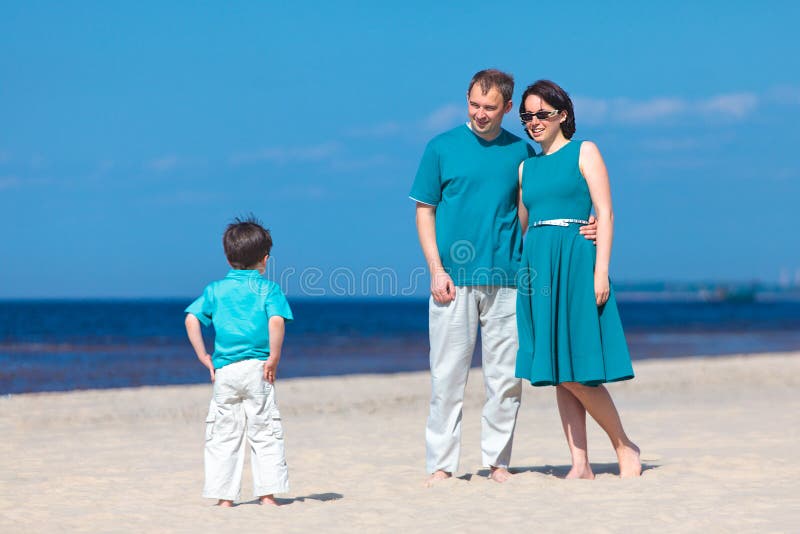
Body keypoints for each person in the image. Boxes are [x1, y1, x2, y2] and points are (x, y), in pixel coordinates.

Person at [409, 69, 597, 485]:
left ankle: (498, 463)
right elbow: (424, 210)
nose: (480, 113)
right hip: (452, 281)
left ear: (507, 108)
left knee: (505, 380)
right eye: (474, 104)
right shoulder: (440, 147)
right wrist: (436, 269)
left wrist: (590, 222)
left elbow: (542, 201)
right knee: (446, 378)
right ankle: (441, 466)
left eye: (489, 108)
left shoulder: (521, 153)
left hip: (510, 280)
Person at [514, 80, 641, 479]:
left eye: (542, 114)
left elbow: (605, 213)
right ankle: (580, 464)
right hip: (538, 269)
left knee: (576, 372)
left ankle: (624, 445)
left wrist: (600, 270)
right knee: (556, 371)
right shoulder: (526, 166)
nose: (534, 122)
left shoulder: (585, 150)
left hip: (576, 261)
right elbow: (523, 224)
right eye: (528, 115)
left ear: (562, 114)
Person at [184, 215, 294, 506]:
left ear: (228, 257)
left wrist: (204, 357)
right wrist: (274, 357)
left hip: (226, 371)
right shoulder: (268, 290)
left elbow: (192, 319)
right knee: (264, 432)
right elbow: (276, 323)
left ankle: (224, 499)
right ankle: (267, 496)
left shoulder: (215, 290)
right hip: (259, 370)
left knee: (223, 436)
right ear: (265, 258)